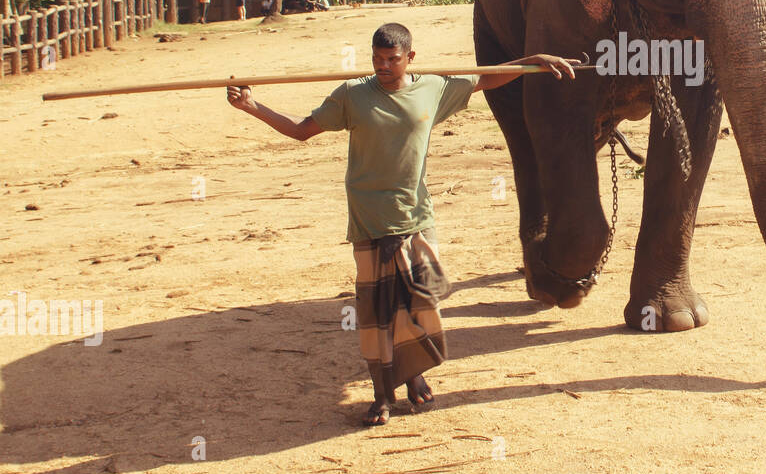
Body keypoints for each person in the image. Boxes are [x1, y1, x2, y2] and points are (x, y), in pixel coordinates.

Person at [226, 24, 579, 426]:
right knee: (378, 315)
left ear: (411, 58)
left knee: (420, 302)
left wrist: (534, 61)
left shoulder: (432, 88)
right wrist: (252, 107)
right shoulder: (353, 96)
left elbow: (486, 76)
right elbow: (300, 130)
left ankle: (414, 373)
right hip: (371, 219)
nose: (384, 67)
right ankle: (381, 396)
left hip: (416, 216)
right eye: (377, 60)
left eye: (393, 60)